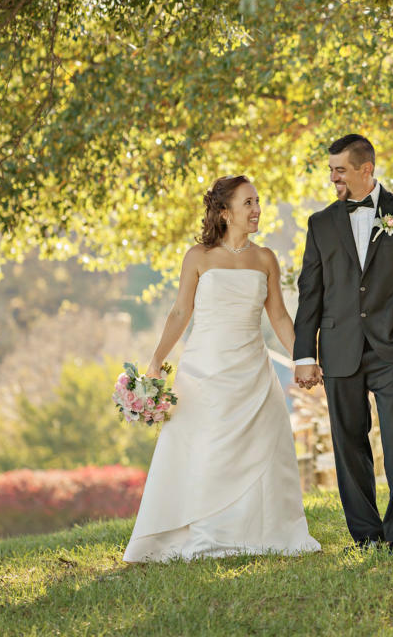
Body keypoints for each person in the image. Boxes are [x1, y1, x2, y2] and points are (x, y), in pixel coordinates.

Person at [123, 175, 321, 562]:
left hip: (253, 370)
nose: (257, 210)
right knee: (205, 449)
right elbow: (180, 312)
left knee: (259, 446)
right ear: (225, 212)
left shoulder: (265, 258)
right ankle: (203, 531)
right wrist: (155, 361)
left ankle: (261, 530)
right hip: (204, 370)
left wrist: (304, 358)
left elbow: (280, 316)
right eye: (248, 203)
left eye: (258, 201)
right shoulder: (198, 256)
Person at [293, 134, 393, 555]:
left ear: (366, 170)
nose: (333, 179)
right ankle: (365, 536)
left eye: (340, 171)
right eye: (331, 171)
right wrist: (305, 354)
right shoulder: (320, 224)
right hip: (340, 348)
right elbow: (310, 293)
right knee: (348, 444)